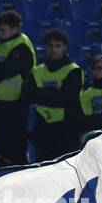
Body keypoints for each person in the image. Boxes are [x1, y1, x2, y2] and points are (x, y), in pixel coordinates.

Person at [0, 8, 36, 165]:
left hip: (14, 103)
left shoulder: (21, 46)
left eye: (3, 29)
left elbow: (8, 70)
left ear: (15, 28)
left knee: (14, 147)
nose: (0, 33)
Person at [28, 28, 83, 161]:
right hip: (42, 127)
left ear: (65, 47)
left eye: (58, 46)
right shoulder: (37, 71)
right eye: (50, 45)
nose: (53, 49)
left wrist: (42, 96)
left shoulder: (73, 70)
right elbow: (30, 95)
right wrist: (54, 94)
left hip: (66, 128)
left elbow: (67, 98)